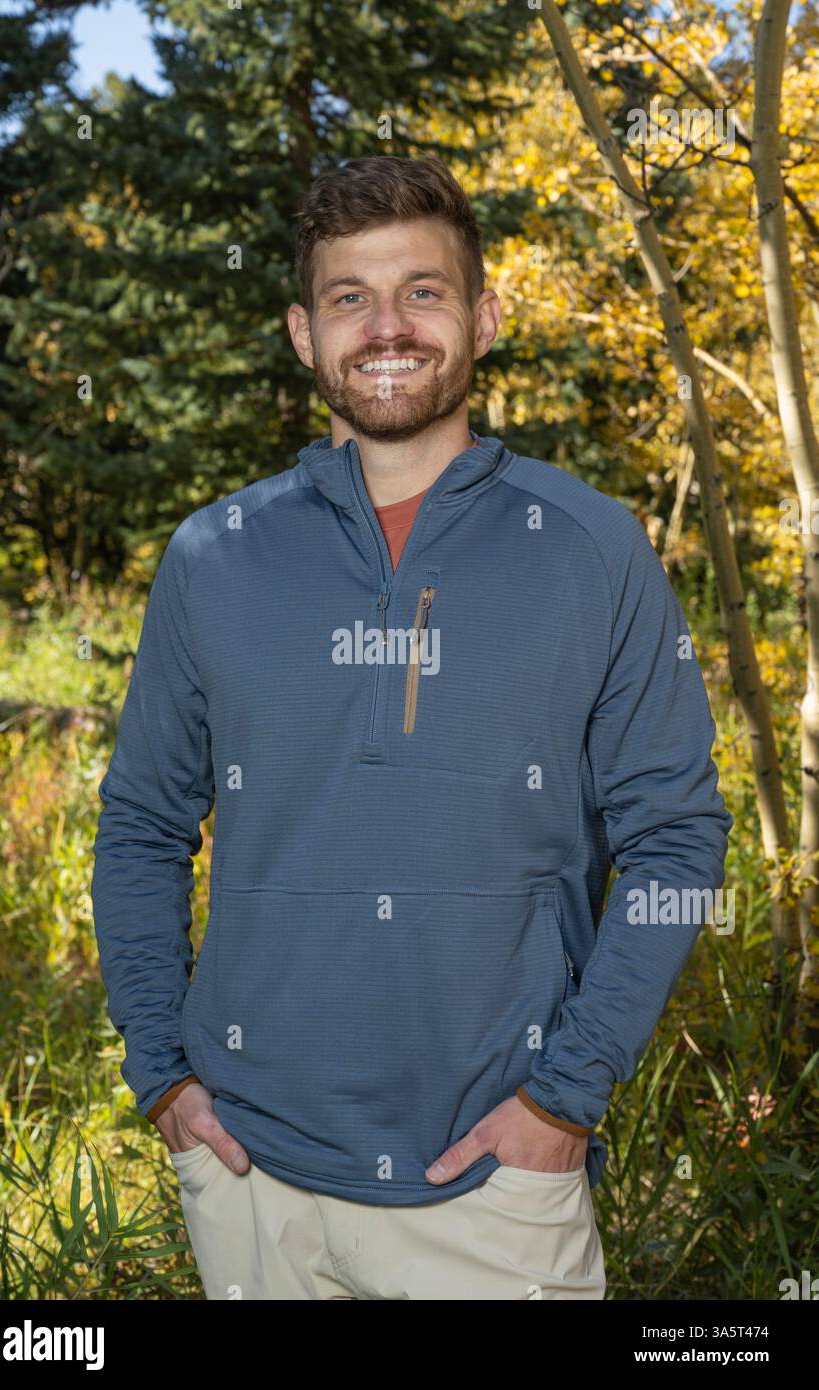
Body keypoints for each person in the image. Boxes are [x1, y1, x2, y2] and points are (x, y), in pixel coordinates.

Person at [91, 154, 733, 1300]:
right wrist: (163, 1076)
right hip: (250, 1184)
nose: (387, 326)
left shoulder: (590, 548)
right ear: (303, 332)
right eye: (349, 297)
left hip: (492, 1189)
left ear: (483, 316)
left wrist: (562, 1099)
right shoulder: (212, 556)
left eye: (422, 292)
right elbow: (140, 824)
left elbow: (677, 842)